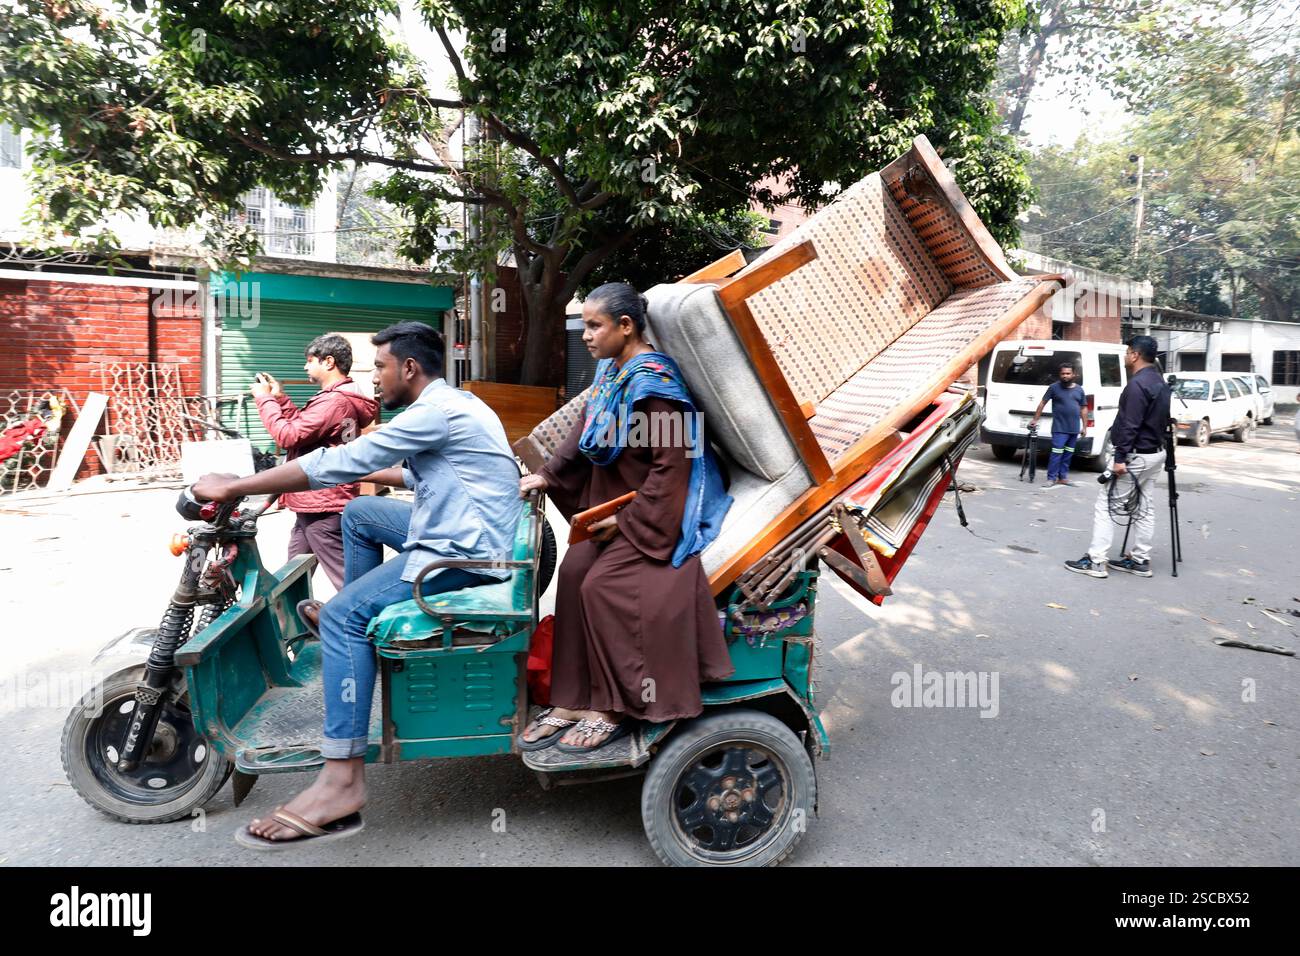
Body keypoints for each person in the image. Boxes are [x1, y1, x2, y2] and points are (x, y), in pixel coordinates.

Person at [193, 321, 522, 845]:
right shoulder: (455, 404)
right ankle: (357, 615)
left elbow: (337, 459)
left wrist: (234, 485)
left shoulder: (433, 413)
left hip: (463, 555)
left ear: (409, 368)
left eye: (381, 367)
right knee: (362, 512)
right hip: (471, 533)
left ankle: (342, 781)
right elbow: (418, 476)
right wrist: (347, 475)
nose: (375, 379)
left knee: (345, 617)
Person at [516, 282, 734, 752]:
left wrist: (631, 521)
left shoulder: (655, 384)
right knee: (573, 574)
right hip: (616, 504)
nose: (586, 336)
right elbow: (586, 426)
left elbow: (673, 466)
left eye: (595, 326)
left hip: (658, 513)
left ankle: (615, 705)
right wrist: (549, 475)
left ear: (626, 326)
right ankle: (573, 698)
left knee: (602, 588)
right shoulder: (612, 372)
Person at [252, 333, 378, 590]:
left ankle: (366, 624)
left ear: (328, 362)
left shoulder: (334, 401)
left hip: (322, 504)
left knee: (349, 583)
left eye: (310, 360)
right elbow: (306, 432)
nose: (305, 366)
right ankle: (292, 625)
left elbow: (288, 436)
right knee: (293, 576)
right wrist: (280, 400)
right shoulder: (339, 399)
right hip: (313, 503)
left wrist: (264, 399)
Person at [1066, 335, 1171, 579]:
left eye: (1127, 352)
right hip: (1155, 453)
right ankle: (1140, 560)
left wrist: (1120, 458)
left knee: (1106, 505)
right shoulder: (1159, 381)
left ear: (1134, 354)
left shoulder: (1137, 385)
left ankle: (1096, 561)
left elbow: (1130, 424)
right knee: (1144, 506)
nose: (1125, 357)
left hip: (1136, 456)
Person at [1030, 360, 1087, 487]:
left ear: (1073, 374)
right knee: (1056, 454)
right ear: (1060, 375)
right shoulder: (1053, 388)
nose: (1065, 376)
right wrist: (1035, 419)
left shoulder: (1079, 390)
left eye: (1068, 373)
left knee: (1068, 454)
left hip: (1074, 429)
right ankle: (1051, 478)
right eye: (1063, 374)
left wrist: (1084, 426)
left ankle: (1063, 477)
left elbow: (1083, 408)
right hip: (1059, 428)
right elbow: (1042, 403)